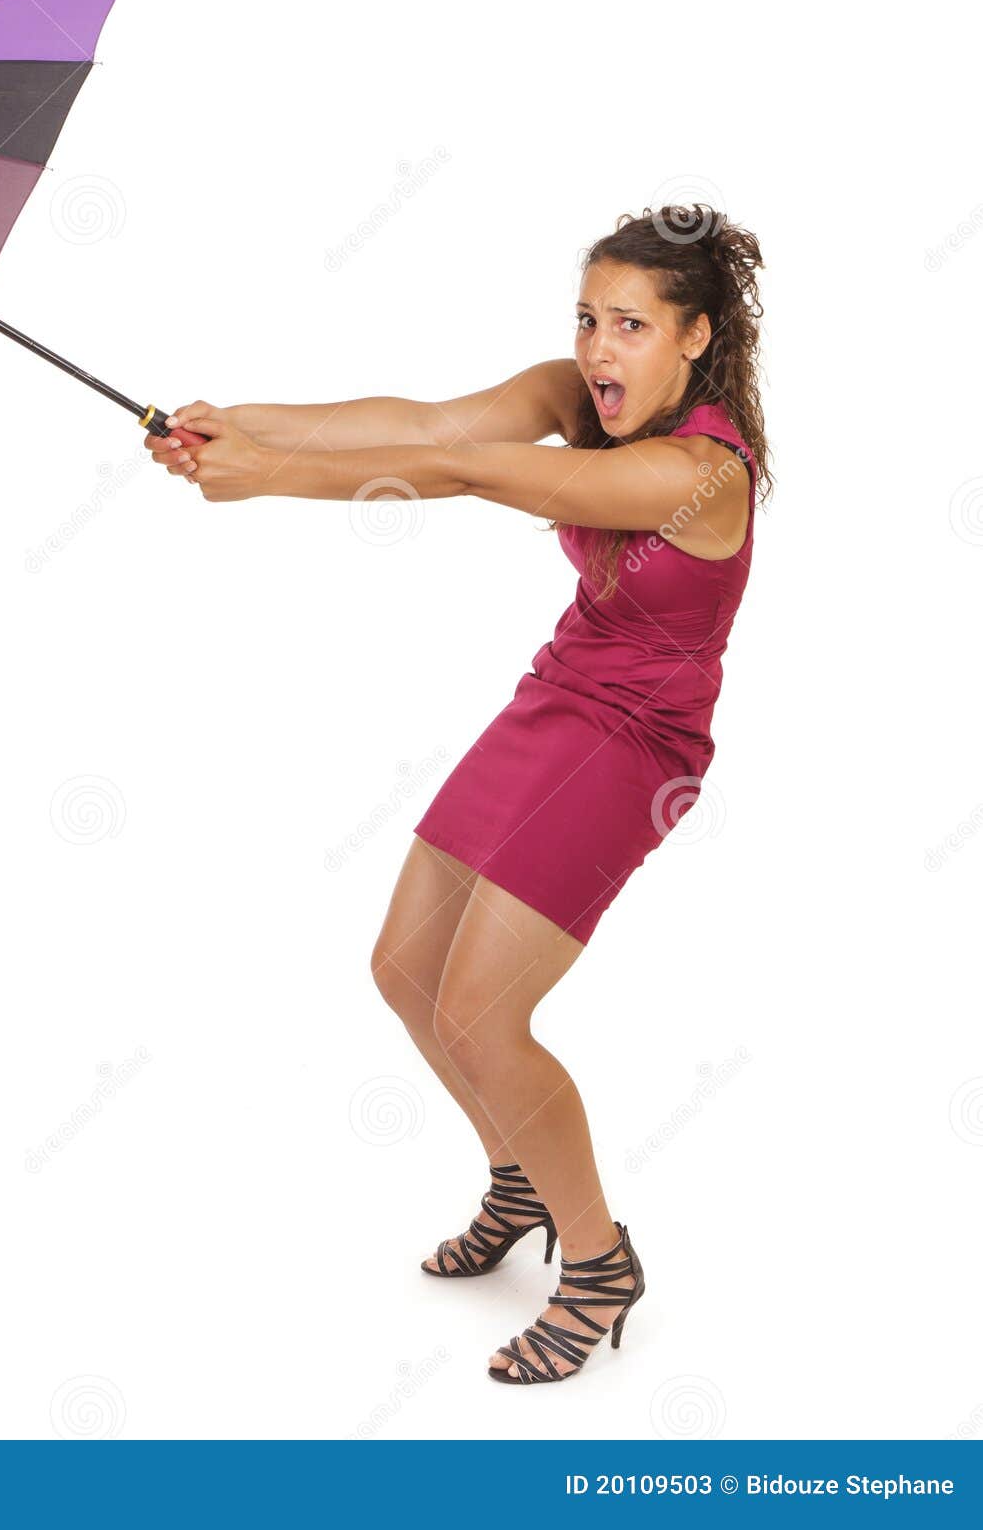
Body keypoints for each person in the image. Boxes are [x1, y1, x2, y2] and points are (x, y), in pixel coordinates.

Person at [144, 205, 769, 1385]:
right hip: (559, 693)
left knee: (484, 1014)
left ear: (695, 338)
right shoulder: (586, 397)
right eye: (587, 318)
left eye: (632, 325)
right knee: (404, 967)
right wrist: (242, 422)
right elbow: (431, 423)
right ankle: (520, 1178)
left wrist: (268, 481)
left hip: (637, 745)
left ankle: (599, 1261)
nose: (598, 348)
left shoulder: (695, 473)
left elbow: (472, 471)